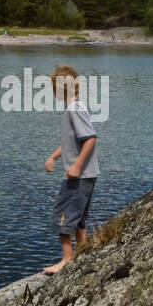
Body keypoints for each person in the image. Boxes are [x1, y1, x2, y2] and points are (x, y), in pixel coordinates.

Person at [42, 64, 99, 274]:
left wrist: (76, 166)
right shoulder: (74, 108)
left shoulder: (74, 109)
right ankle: (83, 255)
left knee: (62, 215)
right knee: (79, 218)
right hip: (86, 175)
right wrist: (53, 157)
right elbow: (70, 141)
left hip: (80, 176)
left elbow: (90, 138)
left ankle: (67, 260)